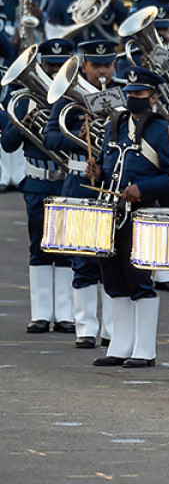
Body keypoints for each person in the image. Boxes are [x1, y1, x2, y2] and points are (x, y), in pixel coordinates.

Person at [85, 67, 169, 368]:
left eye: (138, 94)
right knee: (112, 278)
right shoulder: (115, 124)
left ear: (153, 97)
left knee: (139, 278)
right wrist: (96, 173)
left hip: (142, 212)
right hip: (111, 210)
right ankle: (120, 344)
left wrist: (144, 188)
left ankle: (144, 349)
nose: (132, 99)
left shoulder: (162, 130)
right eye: (129, 93)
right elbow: (106, 164)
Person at [42, 39, 119, 348]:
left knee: (111, 258)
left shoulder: (123, 95)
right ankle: (85, 327)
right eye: (96, 65)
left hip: (111, 182)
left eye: (107, 65)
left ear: (114, 66)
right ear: (84, 66)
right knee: (82, 258)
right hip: (77, 179)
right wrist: (78, 137)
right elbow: (48, 137)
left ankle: (113, 329)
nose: (102, 71)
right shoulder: (67, 99)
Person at [1, 39, 75, 337]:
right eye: (49, 66)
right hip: (37, 182)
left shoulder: (76, 98)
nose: (53, 72)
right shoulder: (24, 99)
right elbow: (7, 146)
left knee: (68, 247)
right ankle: (41, 314)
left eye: (60, 67)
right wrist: (23, 123)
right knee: (39, 247)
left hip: (68, 181)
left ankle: (67, 314)